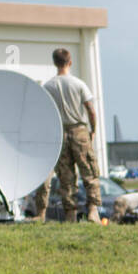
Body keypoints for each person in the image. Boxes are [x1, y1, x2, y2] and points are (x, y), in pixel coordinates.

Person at [29, 48, 101, 223]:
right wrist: (93, 129)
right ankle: (92, 210)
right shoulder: (78, 84)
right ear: (70, 62)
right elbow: (90, 109)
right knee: (89, 172)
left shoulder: (48, 86)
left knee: (66, 177)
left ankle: (70, 214)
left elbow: (43, 112)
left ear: (54, 63)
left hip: (60, 132)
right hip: (79, 131)